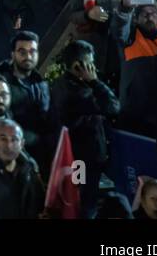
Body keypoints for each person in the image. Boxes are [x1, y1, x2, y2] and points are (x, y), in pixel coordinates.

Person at [49, 39, 120, 218]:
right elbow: (113, 106)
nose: (93, 67)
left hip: (78, 158)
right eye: (90, 64)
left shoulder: (60, 83)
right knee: (85, 204)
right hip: (85, 160)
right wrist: (95, 82)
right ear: (77, 66)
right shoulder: (80, 92)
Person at [109, 0, 157, 137]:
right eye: (145, 14)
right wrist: (124, 8)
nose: (150, 17)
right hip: (132, 111)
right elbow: (119, 28)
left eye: (154, 13)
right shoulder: (129, 38)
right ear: (136, 18)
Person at [0, 31, 51, 168]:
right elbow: (3, 126)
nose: (28, 56)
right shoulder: (1, 86)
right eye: (22, 52)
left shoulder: (40, 84)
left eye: (33, 51)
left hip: (43, 157)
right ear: (13, 54)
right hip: (16, 161)